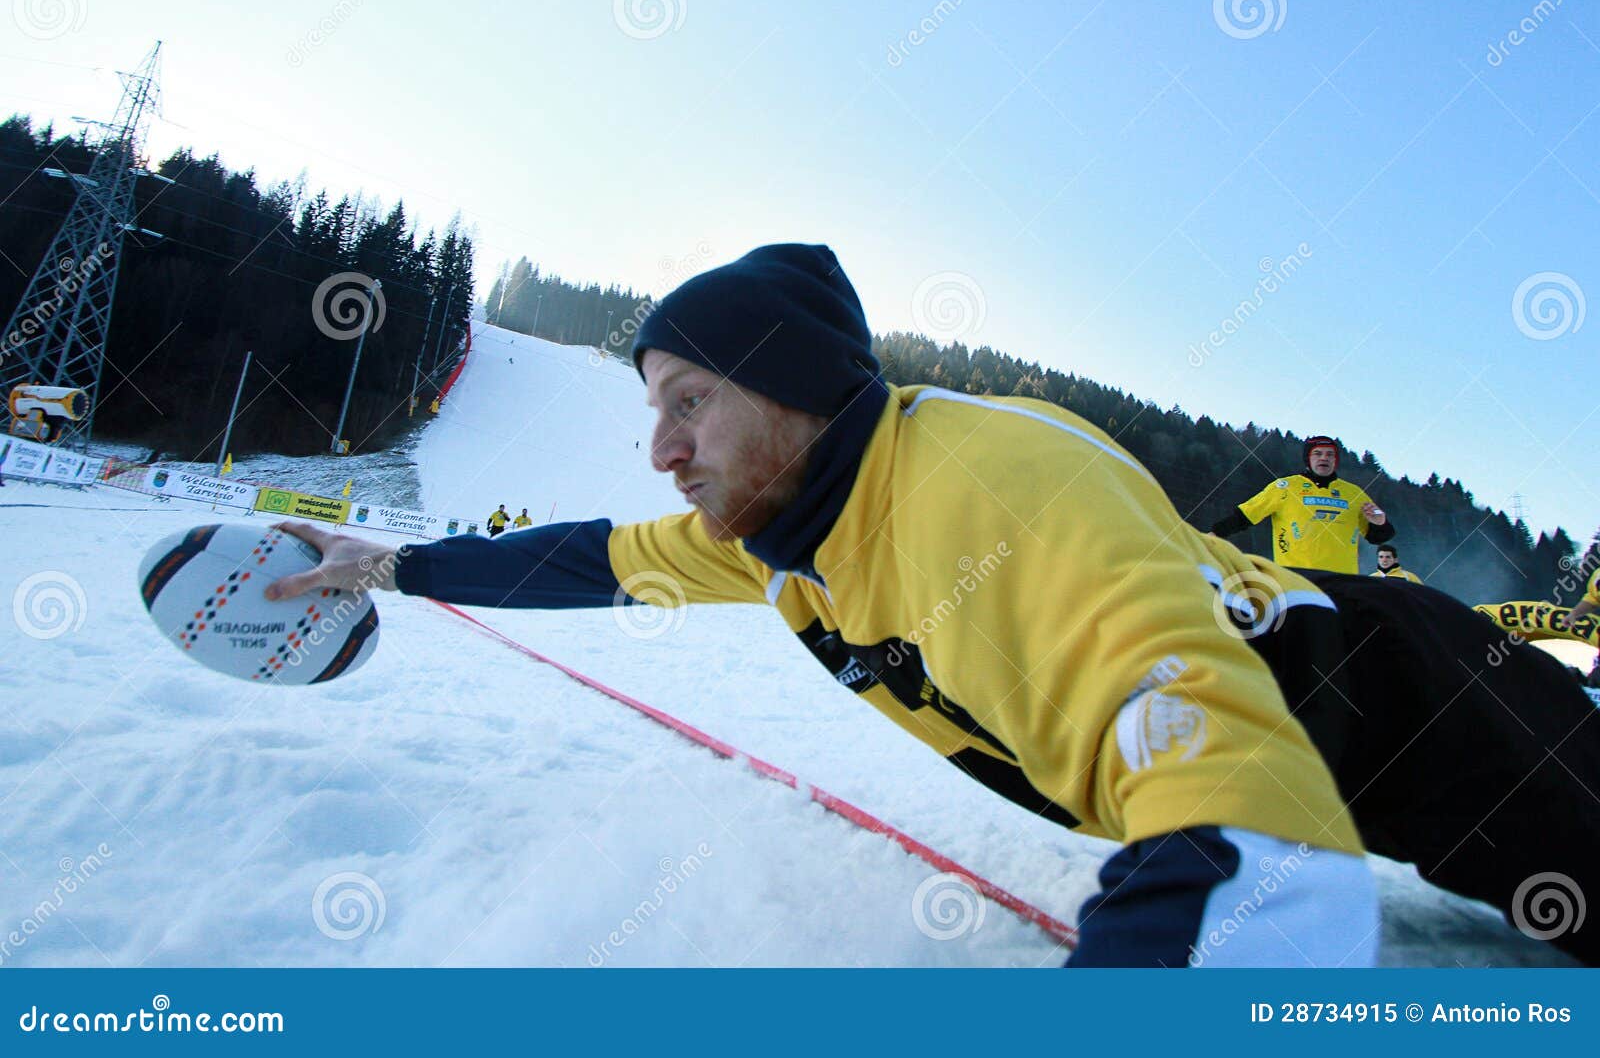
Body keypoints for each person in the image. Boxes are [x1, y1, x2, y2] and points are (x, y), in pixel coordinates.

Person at [265, 243, 1600, 967]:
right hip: (1329, 743)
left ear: (791, 389)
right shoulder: (785, 530)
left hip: (1431, 707)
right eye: (650, 408)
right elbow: (597, 560)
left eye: (691, 400)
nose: (663, 449)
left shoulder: (992, 483)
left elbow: (1242, 825)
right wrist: (390, 568)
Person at [1210, 437, 1394, 574]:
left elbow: (1378, 537)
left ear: (1335, 461)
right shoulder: (1285, 487)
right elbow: (1244, 517)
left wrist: (1380, 523)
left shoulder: (1354, 493)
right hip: (1296, 576)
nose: (1324, 458)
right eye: (1318, 453)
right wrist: (1213, 535)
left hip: (1343, 578)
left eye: (1330, 455)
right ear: (1308, 459)